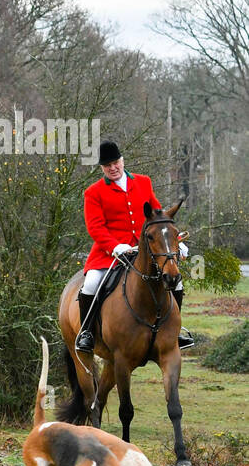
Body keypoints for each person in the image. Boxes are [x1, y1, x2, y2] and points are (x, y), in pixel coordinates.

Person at [75, 140, 194, 352]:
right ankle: (87, 332)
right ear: (102, 168)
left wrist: (175, 243)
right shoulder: (93, 192)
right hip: (109, 254)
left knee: (176, 281)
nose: (112, 168)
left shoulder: (143, 182)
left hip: (146, 249)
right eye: (107, 165)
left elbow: (158, 216)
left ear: (122, 160)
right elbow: (95, 227)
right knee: (92, 283)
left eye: (115, 163)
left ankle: (175, 331)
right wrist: (115, 246)